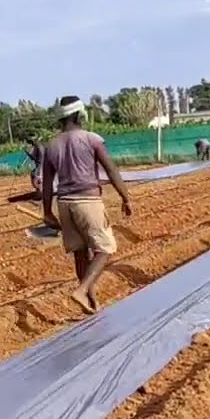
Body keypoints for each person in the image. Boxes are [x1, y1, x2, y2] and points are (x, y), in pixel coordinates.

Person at [41, 95, 134, 314]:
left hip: (64, 203)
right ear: (79, 114)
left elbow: (46, 183)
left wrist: (47, 212)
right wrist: (126, 198)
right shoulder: (91, 139)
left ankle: (90, 301)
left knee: (80, 252)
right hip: (88, 201)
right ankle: (82, 290)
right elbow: (110, 169)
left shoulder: (51, 145)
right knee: (105, 248)